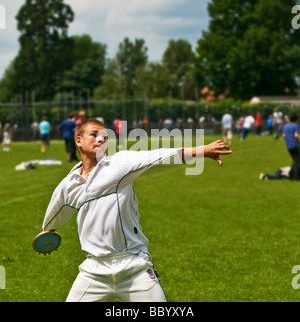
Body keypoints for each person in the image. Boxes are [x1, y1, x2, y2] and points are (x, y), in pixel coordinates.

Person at [39, 118, 232, 302]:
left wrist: (202, 151)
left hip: (133, 267)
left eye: (105, 136)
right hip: (94, 271)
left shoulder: (119, 164)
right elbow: (56, 214)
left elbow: (159, 156)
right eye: (94, 134)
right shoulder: (69, 184)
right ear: (78, 141)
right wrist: (46, 237)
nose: (101, 139)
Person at [282, 113, 300, 180]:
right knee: (297, 160)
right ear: (296, 119)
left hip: (288, 145)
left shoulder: (285, 126)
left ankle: (291, 175)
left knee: (295, 160)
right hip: (295, 144)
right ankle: (296, 176)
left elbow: (283, 136)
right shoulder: (295, 126)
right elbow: (296, 135)